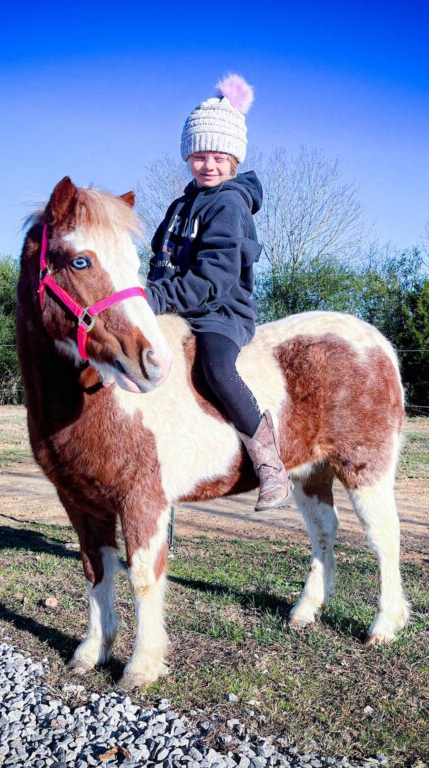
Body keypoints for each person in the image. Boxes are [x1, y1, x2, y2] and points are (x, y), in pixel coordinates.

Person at [145, 74, 291, 512]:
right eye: (200, 155)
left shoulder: (229, 205)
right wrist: (144, 297)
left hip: (219, 313)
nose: (209, 165)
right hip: (174, 309)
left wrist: (157, 299)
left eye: (220, 157)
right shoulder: (178, 207)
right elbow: (159, 261)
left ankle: (270, 467)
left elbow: (213, 278)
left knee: (215, 368)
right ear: (189, 156)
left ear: (234, 159)